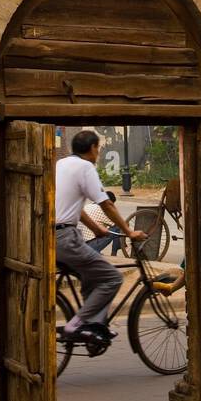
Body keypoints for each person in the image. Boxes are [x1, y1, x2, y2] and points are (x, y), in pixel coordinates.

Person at [56, 129, 146, 343]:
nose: (98, 153)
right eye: (98, 148)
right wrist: (129, 232)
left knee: (92, 277)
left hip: (54, 237)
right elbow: (106, 204)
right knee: (112, 278)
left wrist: (97, 229)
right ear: (93, 148)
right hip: (67, 238)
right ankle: (76, 325)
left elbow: (75, 209)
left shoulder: (61, 164)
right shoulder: (86, 167)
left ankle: (94, 327)